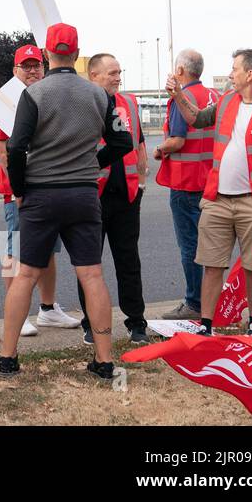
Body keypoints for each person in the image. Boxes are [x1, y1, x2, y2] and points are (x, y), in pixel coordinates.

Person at [0, 23, 133, 381]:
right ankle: (104, 360)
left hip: (42, 194)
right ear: (76, 54)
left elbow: (16, 147)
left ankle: (8, 357)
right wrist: (92, 164)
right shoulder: (99, 95)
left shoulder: (34, 94)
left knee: (25, 274)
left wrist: (20, 188)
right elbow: (122, 144)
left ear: (46, 53)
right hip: (84, 194)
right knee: (92, 274)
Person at [165, 49, 252, 336]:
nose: (231, 73)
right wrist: (178, 95)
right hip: (218, 199)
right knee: (212, 265)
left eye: (235, 69)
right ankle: (206, 325)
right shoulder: (227, 101)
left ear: (249, 74)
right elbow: (196, 119)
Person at [0, 45, 80, 337]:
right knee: (15, 250)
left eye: (36, 65)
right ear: (15, 70)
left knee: (48, 250)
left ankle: (48, 308)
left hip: (47, 187)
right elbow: (3, 151)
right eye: (25, 66)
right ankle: (16, 310)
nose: (32, 70)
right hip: (20, 191)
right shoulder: (7, 101)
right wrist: (19, 190)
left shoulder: (47, 94)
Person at [79, 54, 149, 345]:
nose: (117, 77)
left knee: (128, 262)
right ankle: (91, 324)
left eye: (119, 72)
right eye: (111, 73)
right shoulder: (82, 104)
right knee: (89, 266)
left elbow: (139, 144)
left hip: (127, 195)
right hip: (92, 196)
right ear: (93, 75)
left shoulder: (129, 103)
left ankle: (136, 322)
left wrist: (142, 182)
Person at [152, 49, 219, 320]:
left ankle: (194, 302)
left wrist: (159, 149)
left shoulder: (183, 97)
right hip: (212, 180)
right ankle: (212, 301)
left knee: (190, 246)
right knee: (214, 244)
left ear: (180, 71)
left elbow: (177, 140)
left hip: (186, 182)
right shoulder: (215, 95)